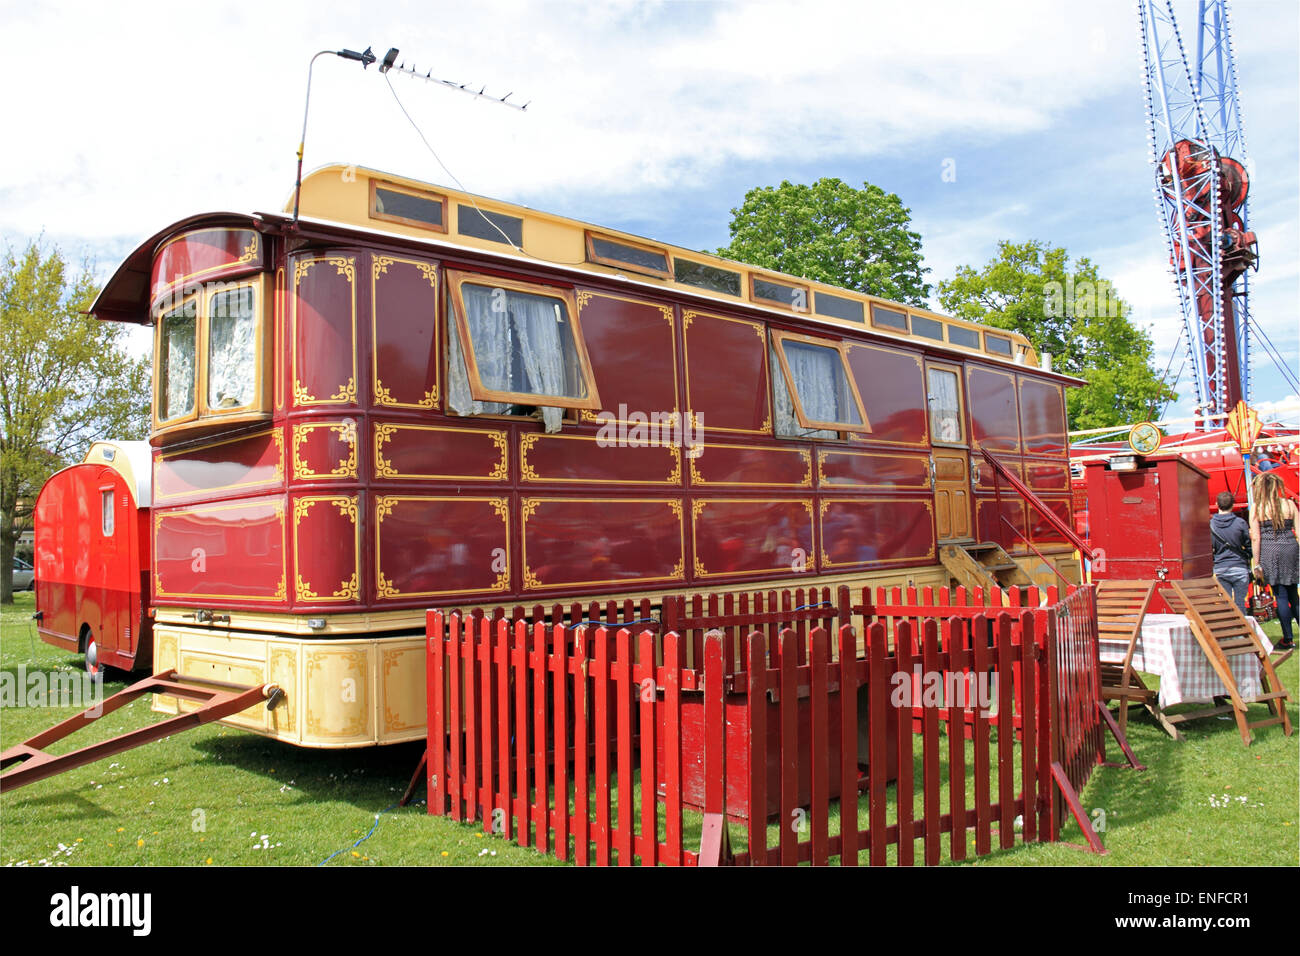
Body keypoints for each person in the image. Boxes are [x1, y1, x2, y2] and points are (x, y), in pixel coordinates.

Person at [1249, 471, 1300, 650]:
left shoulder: (1258, 508)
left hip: (1270, 552)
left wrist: (1257, 563)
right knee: (1294, 596)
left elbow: (1256, 537)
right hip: (1291, 549)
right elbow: (1299, 533)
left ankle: (1288, 638)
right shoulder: (1290, 504)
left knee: (1281, 595)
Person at [1210, 491, 1252, 614]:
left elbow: (1210, 547)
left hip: (1220, 566)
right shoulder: (1240, 523)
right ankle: (1243, 630)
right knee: (1240, 603)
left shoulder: (1210, 525)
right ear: (1233, 505)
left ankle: (1229, 630)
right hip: (1239, 566)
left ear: (1216, 504)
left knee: (1226, 603)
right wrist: (1248, 556)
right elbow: (1248, 544)